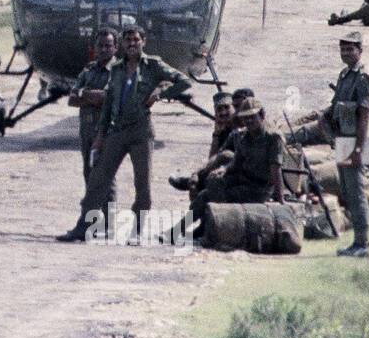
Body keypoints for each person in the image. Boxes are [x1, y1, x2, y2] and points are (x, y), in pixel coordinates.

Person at [57, 25, 191, 243]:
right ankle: (83, 227)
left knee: (143, 185)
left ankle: (136, 231)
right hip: (117, 130)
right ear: (122, 44)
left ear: (143, 42)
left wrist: (160, 93)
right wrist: (100, 138)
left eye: (136, 40)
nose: (132, 44)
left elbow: (184, 81)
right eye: (127, 40)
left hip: (141, 131)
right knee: (97, 180)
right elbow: (108, 104)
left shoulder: (153, 65)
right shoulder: (117, 69)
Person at [287, 31, 369, 257]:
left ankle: (363, 244)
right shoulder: (345, 75)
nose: (346, 53)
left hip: (356, 142)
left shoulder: (363, 79)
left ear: (360, 50)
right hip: (342, 141)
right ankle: (357, 242)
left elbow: (364, 116)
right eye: (343, 49)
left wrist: (358, 149)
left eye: (350, 49)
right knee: (347, 191)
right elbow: (335, 105)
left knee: (356, 193)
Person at [165, 98, 284, 246]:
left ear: (262, 115)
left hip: (259, 189)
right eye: (246, 118)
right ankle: (180, 231)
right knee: (207, 191)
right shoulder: (243, 137)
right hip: (243, 180)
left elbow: (275, 169)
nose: (249, 121)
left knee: (209, 195)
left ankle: (213, 229)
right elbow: (236, 162)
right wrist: (224, 169)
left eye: (252, 117)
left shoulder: (273, 137)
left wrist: (280, 199)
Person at [67, 28, 118, 197]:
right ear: (94, 48)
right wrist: (91, 96)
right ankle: (92, 219)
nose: (104, 49)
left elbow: (106, 98)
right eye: (100, 45)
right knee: (88, 174)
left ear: (115, 48)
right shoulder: (89, 70)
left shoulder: (118, 71)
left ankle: (108, 222)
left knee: (106, 177)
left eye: (108, 45)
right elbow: (72, 99)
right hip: (86, 130)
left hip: (106, 131)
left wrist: (83, 93)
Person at [168, 91, 236, 193]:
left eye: (227, 107)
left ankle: (192, 181)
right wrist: (216, 134)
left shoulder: (241, 127)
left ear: (234, 108)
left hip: (239, 170)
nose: (223, 113)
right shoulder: (223, 129)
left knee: (226, 157)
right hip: (228, 169)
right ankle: (195, 181)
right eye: (219, 109)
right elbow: (213, 158)